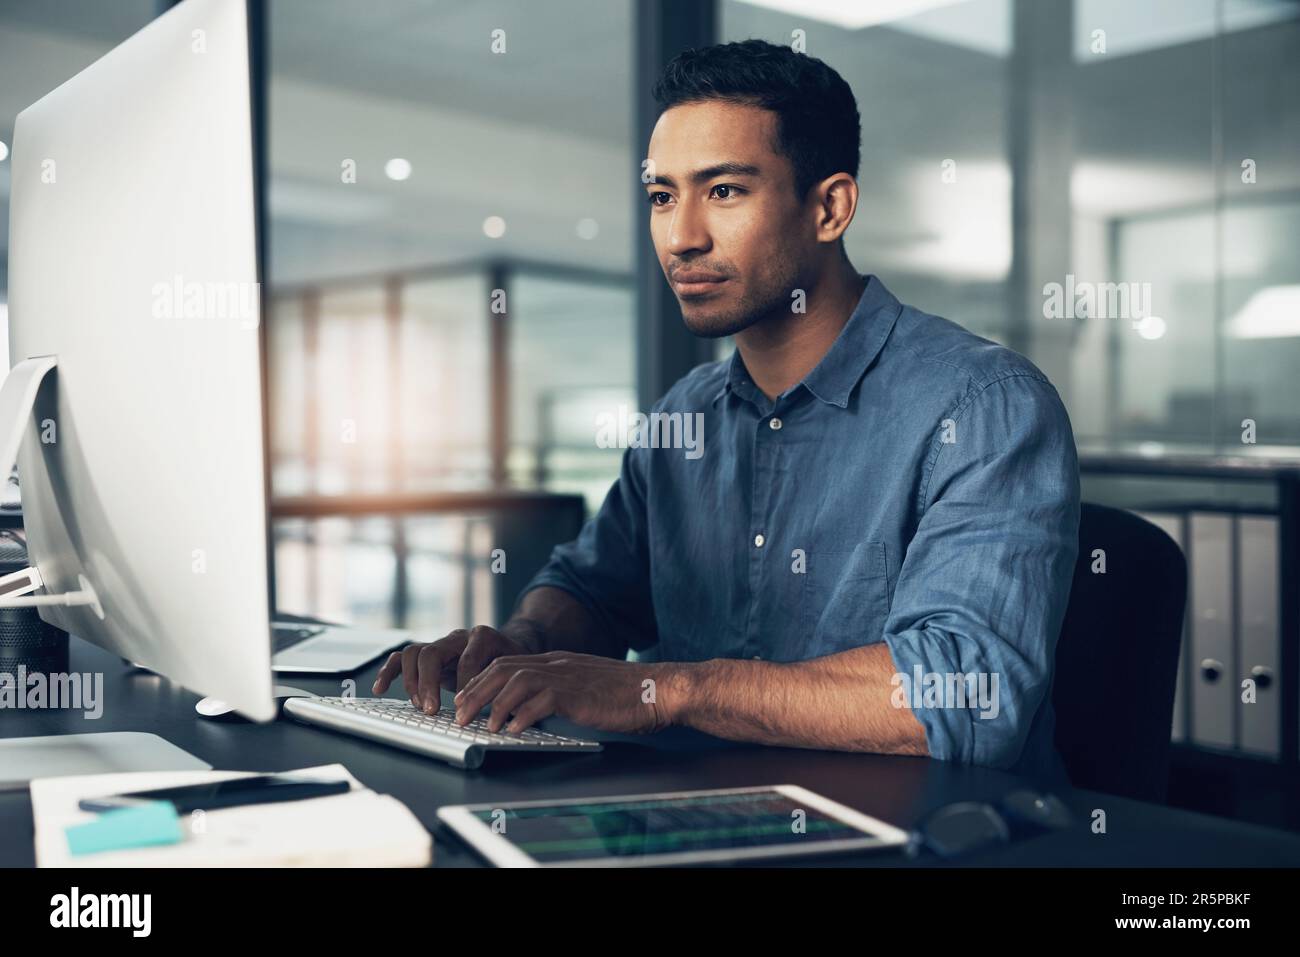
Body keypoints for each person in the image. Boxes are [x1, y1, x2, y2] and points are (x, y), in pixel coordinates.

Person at [373, 39, 1080, 778]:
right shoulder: (686, 414)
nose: (681, 237)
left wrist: (666, 690)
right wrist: (518, 645)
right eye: (662, 196)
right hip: (694, 817)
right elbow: (593, 586)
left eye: (724, 191)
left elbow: (965, 692)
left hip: (924, 837)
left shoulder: (985, 405)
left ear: (830, 207)